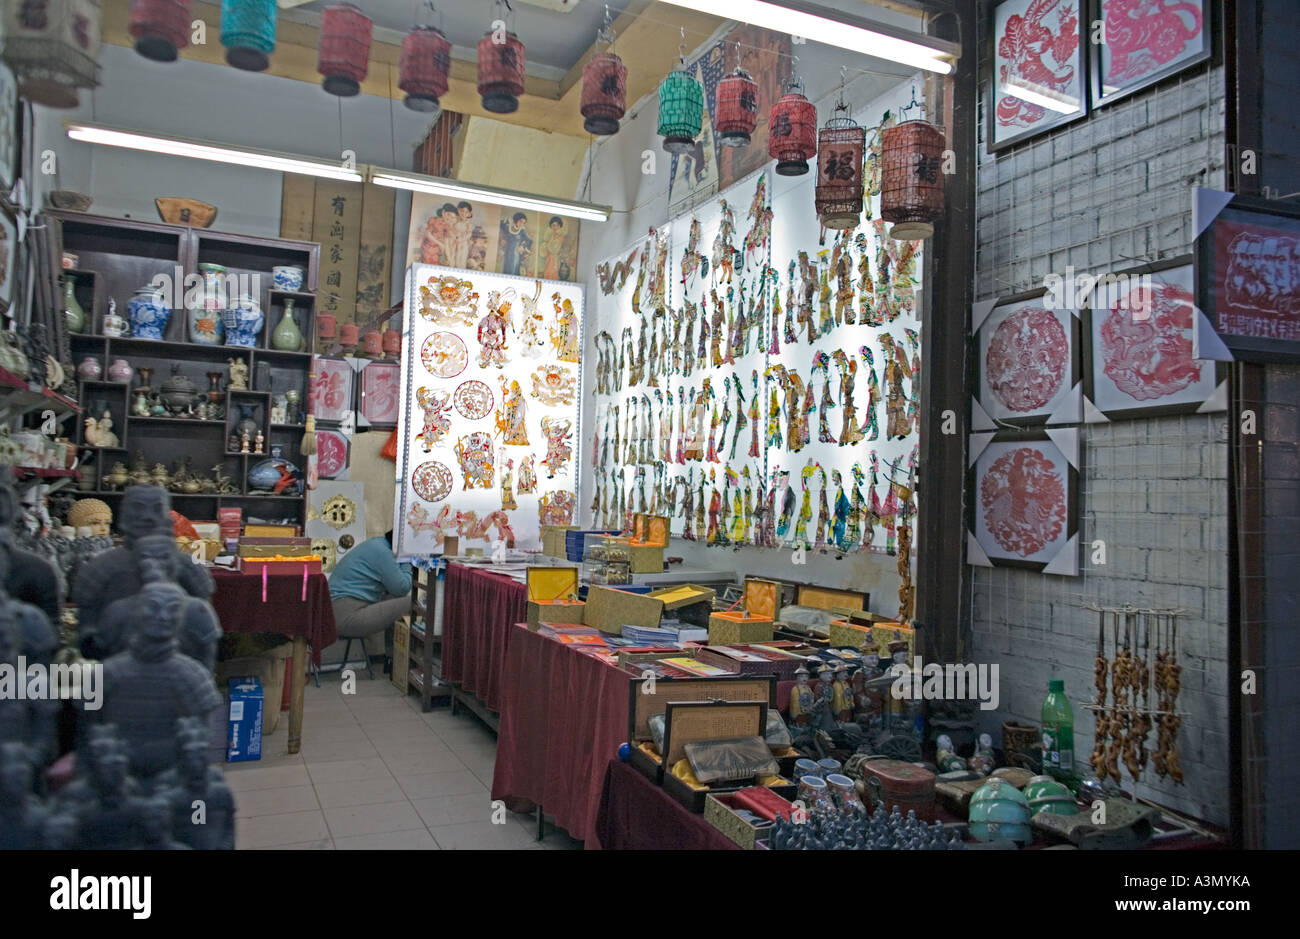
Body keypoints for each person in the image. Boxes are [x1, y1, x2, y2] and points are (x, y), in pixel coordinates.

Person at [328, 530, 412, 676]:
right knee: (413, 602)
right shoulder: (382, 552)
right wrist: (407, 559)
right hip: (346, 616)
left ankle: (392, 662)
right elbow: (402, 587)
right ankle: (399, 662)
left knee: (393, 600)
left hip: (339, 610)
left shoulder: (377, 545)